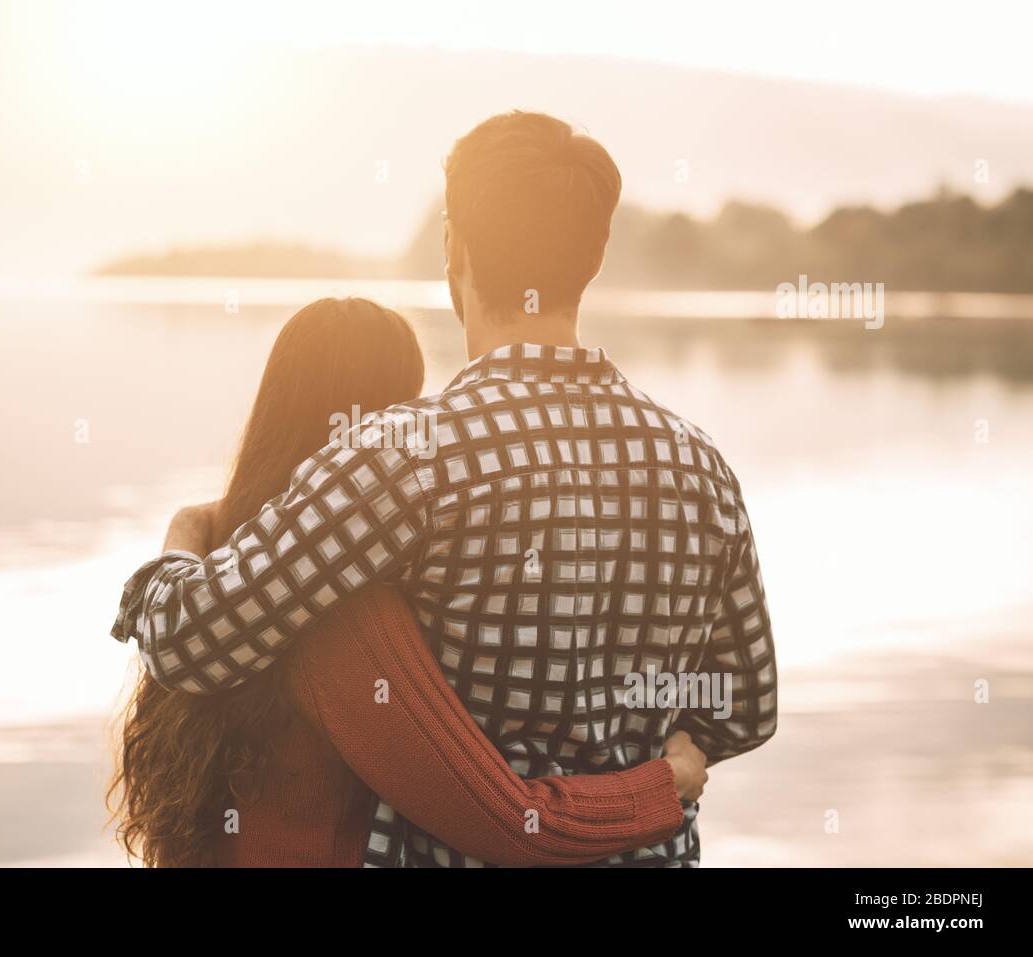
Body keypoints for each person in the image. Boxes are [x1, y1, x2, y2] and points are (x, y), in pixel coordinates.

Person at [113, 111, 777, 867]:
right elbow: (745, 710)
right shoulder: (702, 467)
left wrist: (184, 538)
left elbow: (190, 639)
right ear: (592, 261)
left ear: (456, 250)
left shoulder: (402, 457)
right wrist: (647, 754)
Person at [108, 298, 707, 867]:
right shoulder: (347, 619)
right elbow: (511, 822)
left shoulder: (220, 575)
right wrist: (663, 787)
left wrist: (187, 526)